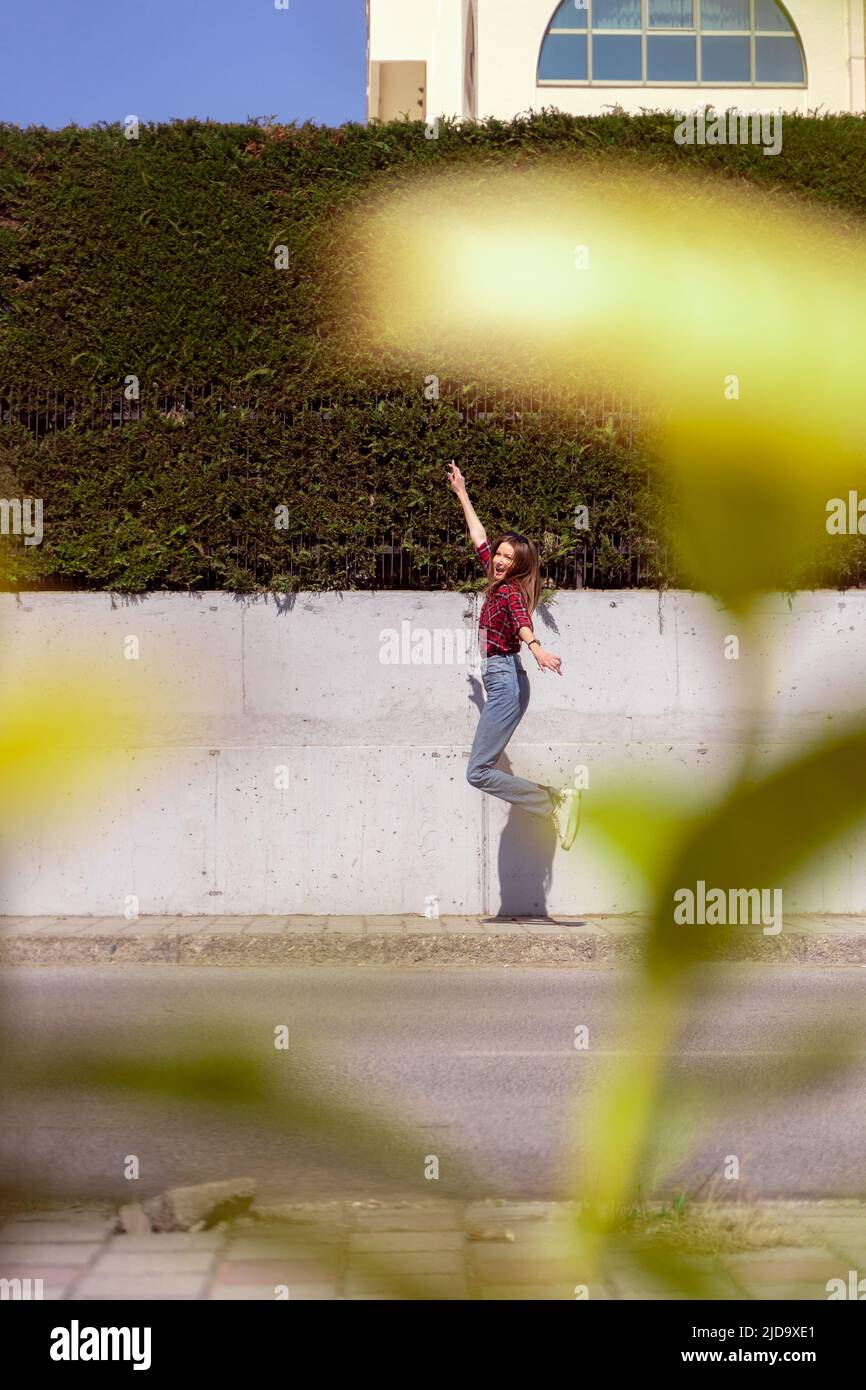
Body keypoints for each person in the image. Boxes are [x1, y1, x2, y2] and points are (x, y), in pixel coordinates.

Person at [448, 460, 580, 851]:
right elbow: (479, 537)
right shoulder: (496, 578)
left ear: (520, 566)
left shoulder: (508, 592)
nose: (500, 560)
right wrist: (462, 493)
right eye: (500, 555)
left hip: (506, 679)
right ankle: (555, 801)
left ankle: (554, 800)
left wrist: (536, 647)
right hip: (502, 679)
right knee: (480, 769)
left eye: (508, 558)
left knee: (478, 771)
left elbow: (522, 621)